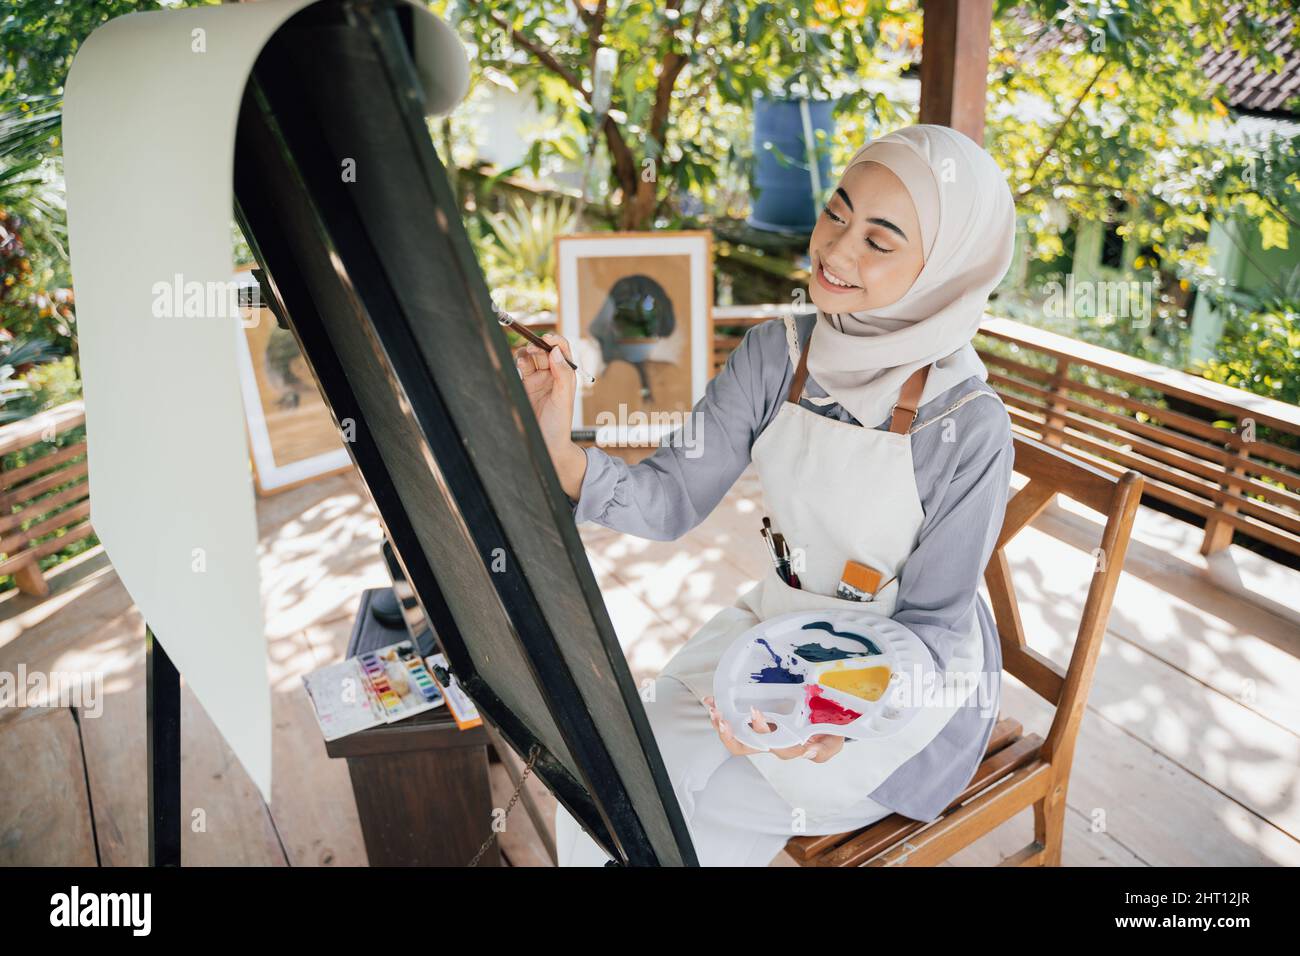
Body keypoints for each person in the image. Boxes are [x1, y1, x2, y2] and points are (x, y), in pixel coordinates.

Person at [516, 124, 1016, 867]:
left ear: (947, 268)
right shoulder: (775, 354)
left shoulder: (967, 424)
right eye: (837, 213)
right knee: (613, 784)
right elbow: (668, 497)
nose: (837, 251)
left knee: (702, 827)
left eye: (880, 241)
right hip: (774, 635)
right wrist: (559, 448)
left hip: (903, 686)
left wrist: (845, 715)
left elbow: (936, 631)